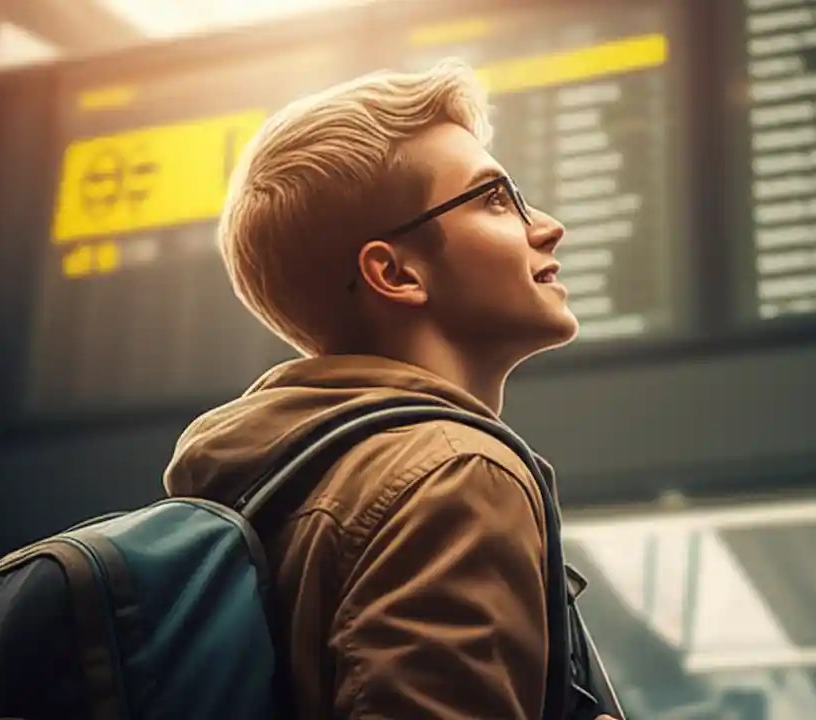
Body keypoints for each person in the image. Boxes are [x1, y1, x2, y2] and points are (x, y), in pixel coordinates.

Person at [163, 59, 615, 719]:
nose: (546, 226)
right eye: (495, 199)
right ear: (396, 272)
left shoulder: (266, 495)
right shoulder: (455, 472)